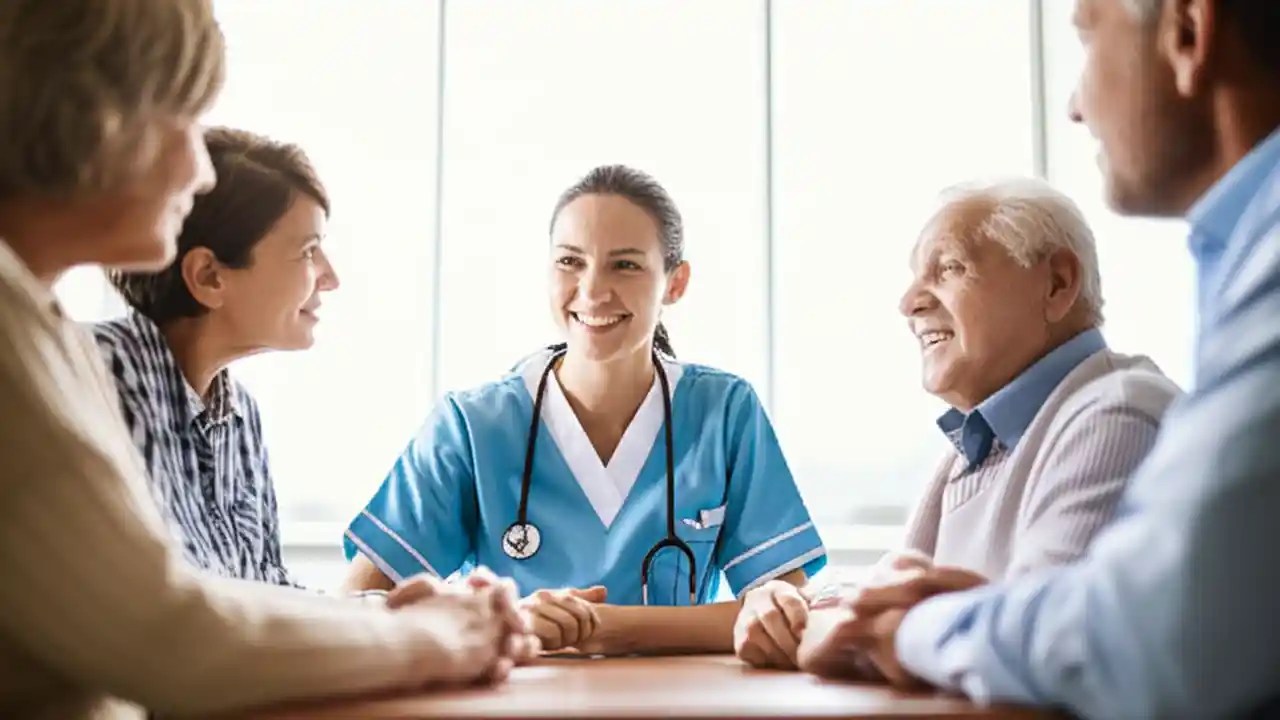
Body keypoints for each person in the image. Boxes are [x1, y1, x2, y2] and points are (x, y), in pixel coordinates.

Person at [0, 2, 533, 718]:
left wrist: (398, 619)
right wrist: (436, 639)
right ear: (89, 118)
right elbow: (170, 638)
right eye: (183, 121)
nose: (198, 170)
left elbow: (236, 599)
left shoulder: (42, 327)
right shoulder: (58, 350)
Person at [795, 1, 1280, 717]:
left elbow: (1152, 635)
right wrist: (824, 611)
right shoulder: (972, 445)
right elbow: (898, 598)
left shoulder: (1116, 408)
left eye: (1088, 37)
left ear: (1187, 32)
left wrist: (914, 628)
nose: (1077, 105)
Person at [343, 164, 827, 655]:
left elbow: (784, 612)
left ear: (675, 283)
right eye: (570, 262)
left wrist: (599, 625)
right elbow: (358, 605)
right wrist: (500, 621)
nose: (593, 291)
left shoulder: (724, 414)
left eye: (625, 265)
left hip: (676, 702)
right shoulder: (472, 426)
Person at [733, 178, 1180, 669]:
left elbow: (1038, 653)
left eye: (949, 268)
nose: (910, 303)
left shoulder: (1115, 416)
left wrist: (862, 630)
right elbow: (880, 603)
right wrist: (788, 609)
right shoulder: (979, 441)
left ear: (1056, 283)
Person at [94, 126, 338, 587]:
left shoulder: (239, 416)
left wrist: (392, 614)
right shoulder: (101, 375)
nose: (330, 278)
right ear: (209, 276)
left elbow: (267, 599)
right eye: (308, 251)